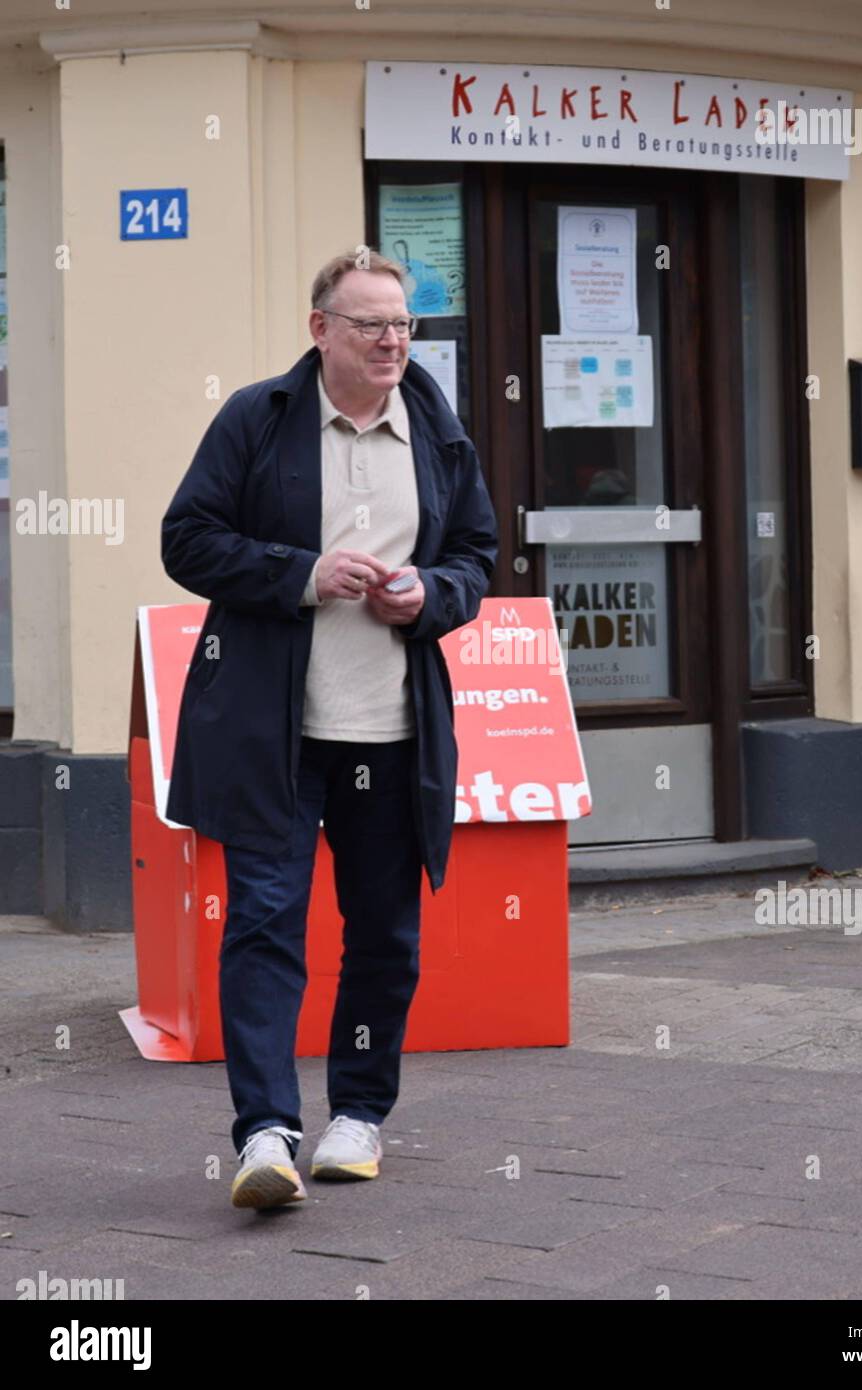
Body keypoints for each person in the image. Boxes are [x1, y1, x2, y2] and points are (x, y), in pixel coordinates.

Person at [161, 249, 498, 1210]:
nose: (393, 341)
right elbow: (186, 538)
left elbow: (475, 555)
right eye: (370, 325)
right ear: (321, 331)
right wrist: (301, 574)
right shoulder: (257, 419)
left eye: (402, 324)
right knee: (265, 925)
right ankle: (265, 1133)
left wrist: (430, 594)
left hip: (391, 732)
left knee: (383, 933)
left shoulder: (434, 428)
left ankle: (356, 1116)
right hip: (276, 734)